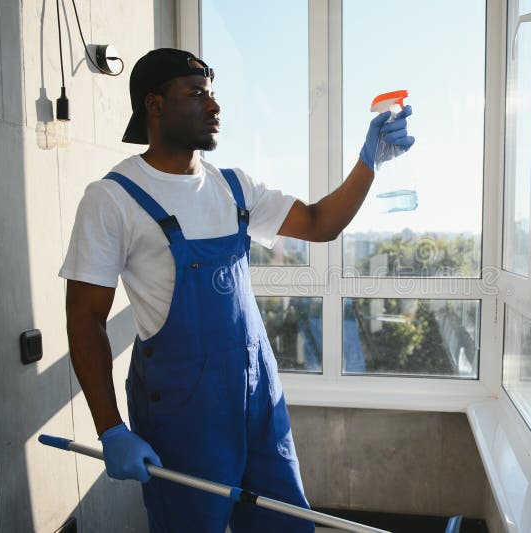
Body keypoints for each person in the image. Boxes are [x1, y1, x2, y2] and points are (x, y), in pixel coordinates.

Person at [60, 48, 414, 532]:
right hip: (183, 417)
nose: (214, 106)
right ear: (154, 104)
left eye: (213, 94)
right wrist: (110, 429)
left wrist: (369, 161)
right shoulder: (112, 198)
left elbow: (320, 223)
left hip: (257, 402)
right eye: (197, 94)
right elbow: (84, 319)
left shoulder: (234, 187)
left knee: (285, 524)